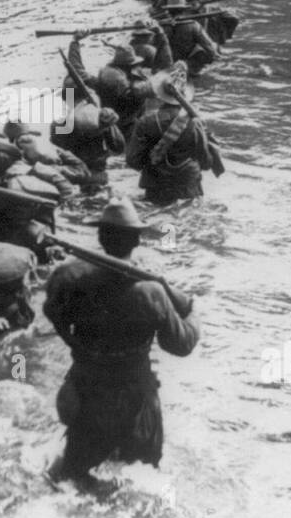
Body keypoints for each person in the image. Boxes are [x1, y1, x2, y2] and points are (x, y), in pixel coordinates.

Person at [43, 199, 199, 487]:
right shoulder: (152, 293)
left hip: (88, 388)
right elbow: (181, 345)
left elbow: (51, 310)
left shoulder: (70, 277)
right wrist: (191, 313)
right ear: (137, 240)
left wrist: (75, 344)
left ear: (101, 238)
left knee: (70, 479)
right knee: (143, 483)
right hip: (135, 398)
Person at [125, 67, 218, 204]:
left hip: (156, 186)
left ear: (159, 94)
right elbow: (206, 163)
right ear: (186, 94)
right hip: (188, 187)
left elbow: (133, 161)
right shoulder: (196, 123)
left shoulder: (146, 121)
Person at [156, 0, 220, 77]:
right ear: (183, 10)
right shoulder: (193, 25)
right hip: (185, 60)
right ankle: (189, 68)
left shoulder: (160, 25)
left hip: (166, 61)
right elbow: (209, 47)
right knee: (213, 46)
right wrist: (215, 56)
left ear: (168, 10)